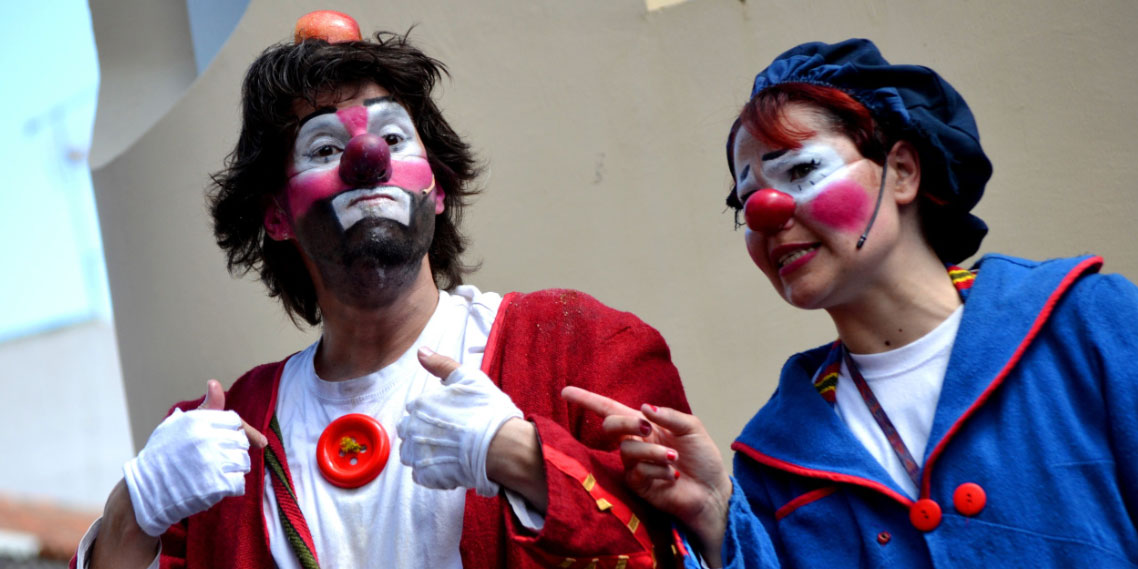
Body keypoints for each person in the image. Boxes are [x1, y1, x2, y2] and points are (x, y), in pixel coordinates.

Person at [72, 11, 690, 569]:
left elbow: (686, 548)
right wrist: (137, 506)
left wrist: (520, 457)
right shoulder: (218, 442)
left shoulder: (578, 348)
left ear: (438, 189)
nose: (367, 157)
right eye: (323, 148)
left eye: (394, 139)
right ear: (277, 215)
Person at [565, 38, 1138, 568]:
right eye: (748, 199)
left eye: (803, 170)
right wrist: (715, 511)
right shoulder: (774, 459)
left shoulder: (1088, 327)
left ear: (904, 172)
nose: (767, 212)